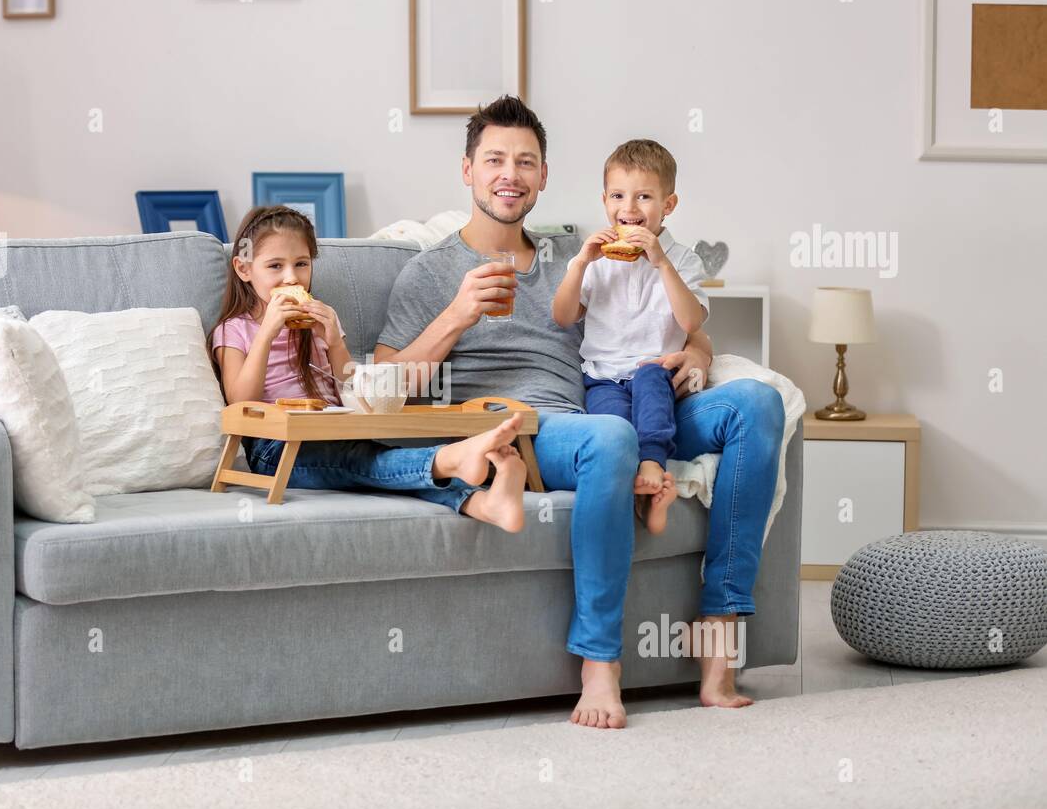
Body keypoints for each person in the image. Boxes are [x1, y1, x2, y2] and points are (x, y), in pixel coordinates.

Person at [374, 97, 785, 727]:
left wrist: (697, 352)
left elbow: (664, 312)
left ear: (543, 176)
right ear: (467, 170)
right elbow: (384, 392)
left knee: (757, 403)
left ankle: (719, 634)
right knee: (615, 439)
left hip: (609, 402)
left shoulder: (581, 251)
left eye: (525, 161)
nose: (509, 173)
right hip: (538, 430)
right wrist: (457, 314)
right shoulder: (430, 272)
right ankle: (600, 664)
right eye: (493, 160)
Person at [209, 204, 528, 532]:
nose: (291, 277)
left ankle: (483, 503)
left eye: (301, 264)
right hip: (274, 449)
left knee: (378, 466)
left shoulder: (320, 320)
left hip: (332, 436)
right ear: (244, 269)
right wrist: (266, 334)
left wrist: (334, 343)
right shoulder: (234, 329)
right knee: (365, 463)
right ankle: (450, 458)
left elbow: (353, 394)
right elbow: (239, 402)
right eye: (275, 265)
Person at [551, 138, 710, 537]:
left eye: (644, 197)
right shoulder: (596, 259)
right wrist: (581, 263)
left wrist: (661, 262)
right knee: (614, 432)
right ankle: (648, 499)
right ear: (605, 200)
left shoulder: (683, 259)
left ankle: (654, 463)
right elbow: (563, 316)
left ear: (668, 205)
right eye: (619, 196)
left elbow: (691, 322)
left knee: (651, 394)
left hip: (653, 370)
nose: (630, 209)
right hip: (602, 375)